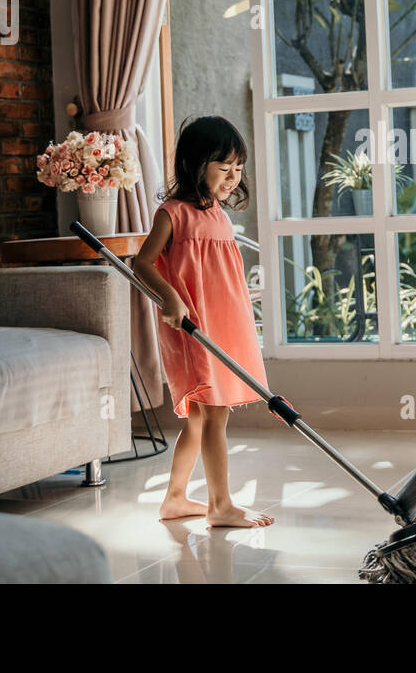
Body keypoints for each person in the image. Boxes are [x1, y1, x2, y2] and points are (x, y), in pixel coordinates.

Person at [133, 115, 275, 528]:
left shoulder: (219, 214)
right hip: (192, 324)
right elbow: (143, 262)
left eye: (238, 167)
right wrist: (172, 297)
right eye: (223, 166)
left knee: (202, 415)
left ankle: (175, 498)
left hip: (223, 322)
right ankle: (220, 505)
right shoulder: (172, 213)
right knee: (213, 412)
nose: (233, 176)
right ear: (196, 165)